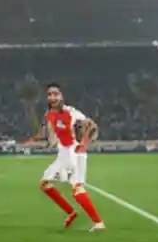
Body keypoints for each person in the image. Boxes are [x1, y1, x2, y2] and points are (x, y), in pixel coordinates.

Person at [22, 83, 104, 231]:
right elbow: (50, 134)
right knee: (44, 184)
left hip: (74, 153)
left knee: (77, 189)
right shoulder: (50, 115)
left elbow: (92, 127)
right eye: (49, 94)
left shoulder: (71, 112)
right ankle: (71, 213)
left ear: (61, 96)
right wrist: (34, 141)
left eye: (55, 94)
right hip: (63, 154)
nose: (52, 97)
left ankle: (98, 223)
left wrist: (84, 145)